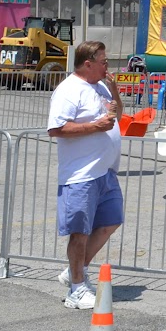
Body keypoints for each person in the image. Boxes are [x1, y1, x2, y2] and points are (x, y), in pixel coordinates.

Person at [48, 41, 125, 311]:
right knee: (79, 232)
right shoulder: (68, 90)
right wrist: (94, 127)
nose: (108, 66)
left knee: (111, 221)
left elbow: (119, 113)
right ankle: (76, 288)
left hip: (105, 171)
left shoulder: (101, 85)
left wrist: (114, 89)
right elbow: (56, 128)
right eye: (103, 61)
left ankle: (75, 271)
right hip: (80, 174)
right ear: (88, 63)